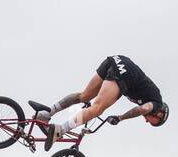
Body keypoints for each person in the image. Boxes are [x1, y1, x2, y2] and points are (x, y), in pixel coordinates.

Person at [34, 54, 168, 148]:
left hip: (116, 60)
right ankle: (60, 130)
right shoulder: (157, 103)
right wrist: (120, 118)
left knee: (84, 96)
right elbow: (143, 109)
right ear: (160, 114)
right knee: (97, 108)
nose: (146, 121)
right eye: (152, 123)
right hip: (126, 72)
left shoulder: (149, 95)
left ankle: (46, 114)